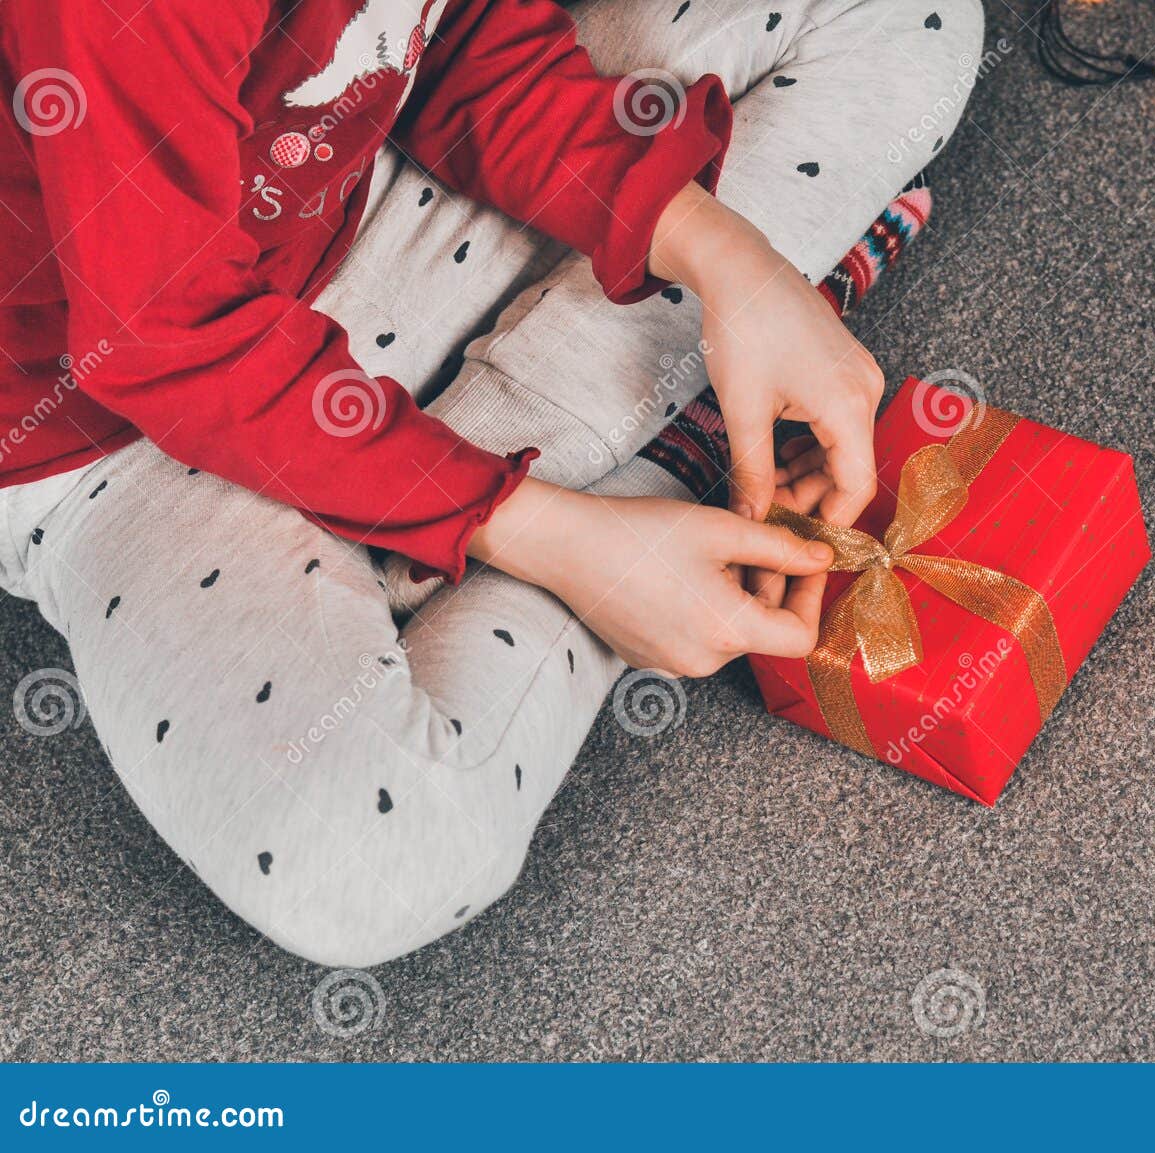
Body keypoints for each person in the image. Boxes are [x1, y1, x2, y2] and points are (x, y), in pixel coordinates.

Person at [0, 0, 984, 965]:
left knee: (905, 12)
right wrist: (577, 543)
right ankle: (646, 472)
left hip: (354, 192)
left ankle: (468, 501)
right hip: (108, 441)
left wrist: (723, 253)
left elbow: (454, 36)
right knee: (371, 858)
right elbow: (165, 340)